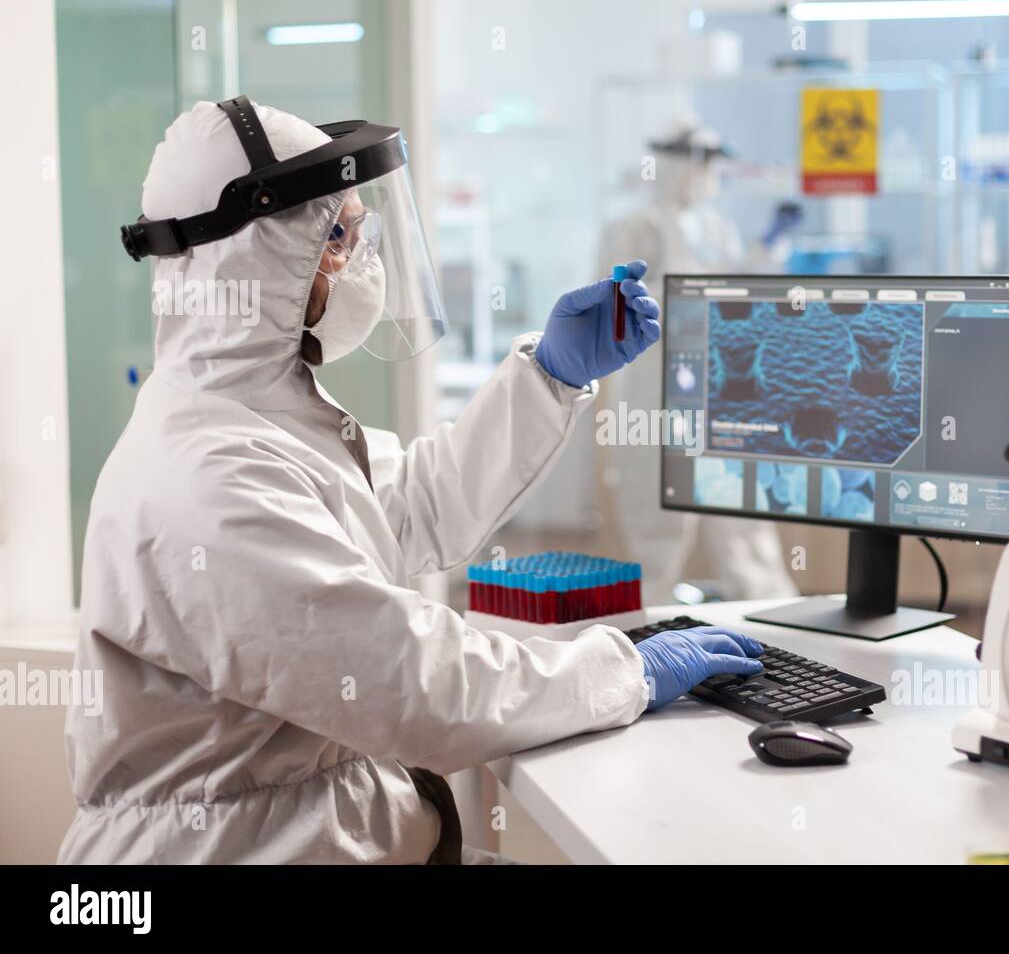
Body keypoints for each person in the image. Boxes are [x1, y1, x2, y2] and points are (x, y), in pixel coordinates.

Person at [60, 98, 764, 865]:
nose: (365, 259)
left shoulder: (262, 419)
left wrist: (547, 378)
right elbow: (422, 690)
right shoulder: (209, 475)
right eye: (337, 236)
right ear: (255, 258)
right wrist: (623, 670)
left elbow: (415, 506)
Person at [598, 118, 803, 604]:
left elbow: (737, 287)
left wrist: (770, 243)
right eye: (699, 162)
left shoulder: (714, 225)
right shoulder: (636, 227)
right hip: (661, 387)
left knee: (741, 518)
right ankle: (650, 630)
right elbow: (614, 307)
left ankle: (772, 619)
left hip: (725, 385)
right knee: (657, 519)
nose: (707, 173)